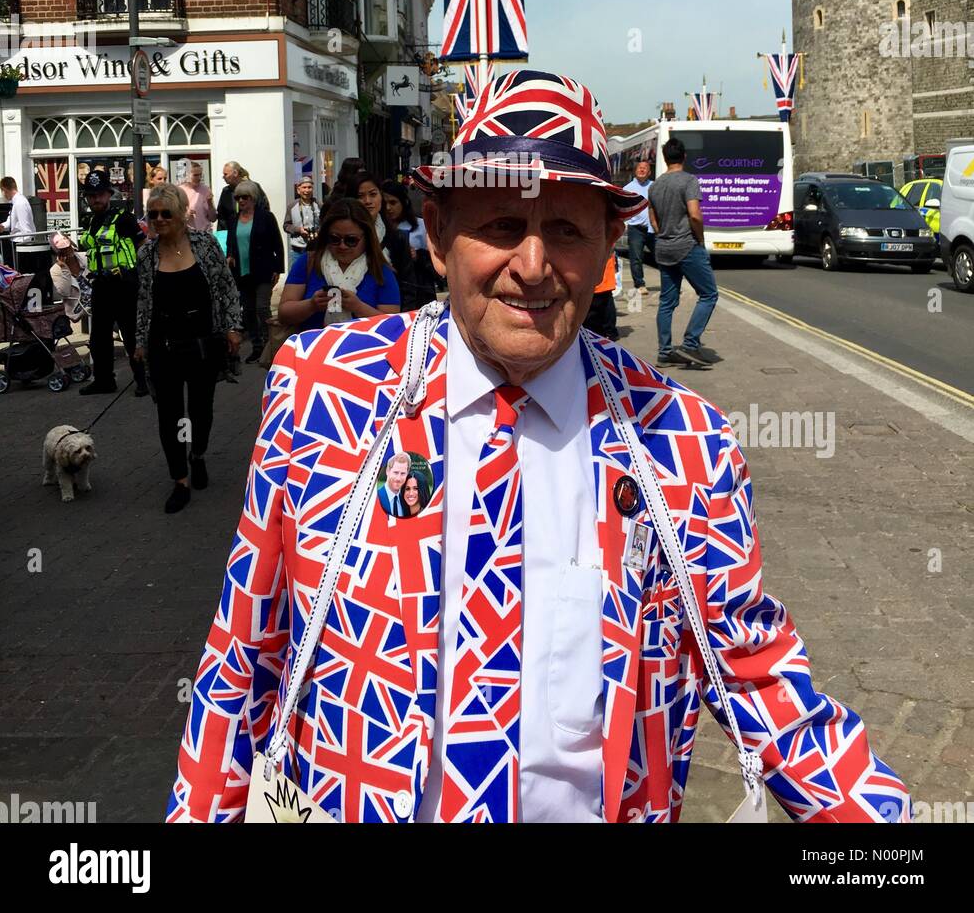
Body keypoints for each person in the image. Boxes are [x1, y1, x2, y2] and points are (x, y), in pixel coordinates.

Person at [169, 67, 909, 826]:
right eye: (497, 227)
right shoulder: (324, 392)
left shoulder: (679, 440)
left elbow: (758, 681)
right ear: (438, 235)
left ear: (607, 248)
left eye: (564, 229)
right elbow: (245, 654)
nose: (531, 265)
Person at [134, 184, 244, 514]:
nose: (159, 219)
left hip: (202, 343)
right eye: (153, 214)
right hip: (163, 345)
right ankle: (179, 479)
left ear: (183, 214)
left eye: (166, 213)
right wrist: (139, 342)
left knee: (200, 411)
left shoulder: (204, 244)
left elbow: (226, 287)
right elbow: (142, 303)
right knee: (169, 416)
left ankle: (197, 454)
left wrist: (233, 327)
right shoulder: (147, 255)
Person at [64, 171, 148, 396]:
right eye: (91, 196)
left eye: (100, 194)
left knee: (131, 335)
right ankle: (104, 381)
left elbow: (143, 246)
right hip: (101, 285)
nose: (96, 200)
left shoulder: (124, 218)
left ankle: (144, 380)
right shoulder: (91, 221)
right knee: (99, 337)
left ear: (109, 194)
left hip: (124, 285)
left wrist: (143, 277)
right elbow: (90, 252)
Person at [647, 137, 720, 369]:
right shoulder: (689, 180)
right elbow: (695, 214)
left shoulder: (655, 185)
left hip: (664, 247)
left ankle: (665, 352)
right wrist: (700, 238)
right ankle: (690, 342)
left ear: (665, 158)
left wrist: (662, 233)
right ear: (685, 157)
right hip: (687, 245)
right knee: (709, 294)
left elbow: (653, 218)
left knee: (667, 301)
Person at [276, 198, 400, 333]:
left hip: (363, 350)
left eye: (351, 240)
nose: (342, 246)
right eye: (334, 239)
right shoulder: (308, 262)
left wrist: (358, 307)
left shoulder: (380, 270)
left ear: (367, 238)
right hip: (313, 349)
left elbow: (392, 325)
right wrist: (311, 305)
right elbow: (283, 313)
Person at [226, 180, 284, 363]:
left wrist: (278, 268)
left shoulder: (265, 217)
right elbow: (230, 242)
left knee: (262, 307)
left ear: (253, 198)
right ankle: (257, 347)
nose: (241, 201)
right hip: (242, 271)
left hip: (263, 269)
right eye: (238, 198)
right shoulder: (234, 219)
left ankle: (271, 343)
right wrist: (229, 255)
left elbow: (277, 243)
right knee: (248, 311)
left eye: (245, 197)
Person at [347, 171, 412, 297]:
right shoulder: (340, 237)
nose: (367, 201)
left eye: (373, 194)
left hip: (389, 310)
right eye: (360, 196)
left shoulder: (397, 238)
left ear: (381, 196)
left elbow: (408, 287)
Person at [380, 179, 437, 310]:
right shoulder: (378, 229)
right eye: (384, 203)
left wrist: (418, 256)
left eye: (393, 202)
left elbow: (435, 264)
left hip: (418, 292)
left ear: (404, 202)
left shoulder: (421, 226)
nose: (388, 208)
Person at [621, 158, 654, 291]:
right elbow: (623, 207)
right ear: (635, 171)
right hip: (636, 228)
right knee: (636, 258)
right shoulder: (627, 188)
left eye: (644, 168)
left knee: (661, 256)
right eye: (639, 168)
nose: (641, 170)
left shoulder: (654, 186)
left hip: (653, 227)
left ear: (649, 172)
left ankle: (670, 282)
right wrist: (626, 224)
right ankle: (640, 284)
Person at [583, 249, 619, 340]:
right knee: (606, 305)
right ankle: (610, 332)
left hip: (596, 278)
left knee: (597, 309)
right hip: (604, 276)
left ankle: (606, 332)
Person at [282, 178, 321, 255]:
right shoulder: (292, 206)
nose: (307, 190)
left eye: (309, 187)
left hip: (316, 248)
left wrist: (318, 232)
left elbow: (325, 223)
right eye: (304, 187)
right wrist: (299, 230)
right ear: (298, 190)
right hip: (297, 250)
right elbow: (286, 226)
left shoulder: (319, 205)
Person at [179, 162, 217, 233]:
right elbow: (174, 217)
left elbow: (213, 218)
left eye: (200, 175)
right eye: (195, 175)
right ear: (186, 175)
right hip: (188, 234)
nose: (199, 178)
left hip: (205, 233)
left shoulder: (206, 189)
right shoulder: (180, 191)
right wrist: (186, 214)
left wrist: (210, 203)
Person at [0, 176, 36, 242]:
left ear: (5, 190)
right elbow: (12, 221)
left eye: (1, 191)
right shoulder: (17, 202)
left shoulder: (20, 202)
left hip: (22, 243)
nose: (2, 194)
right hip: (20, 241)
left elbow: (26, 229)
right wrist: (2, 226)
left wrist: (24, 246)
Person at [377, 452, 410, 516]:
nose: (398, 478)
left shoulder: (407, 502)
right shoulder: (377, 497)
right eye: (395, 472)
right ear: (387, 471)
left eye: (403, 473)